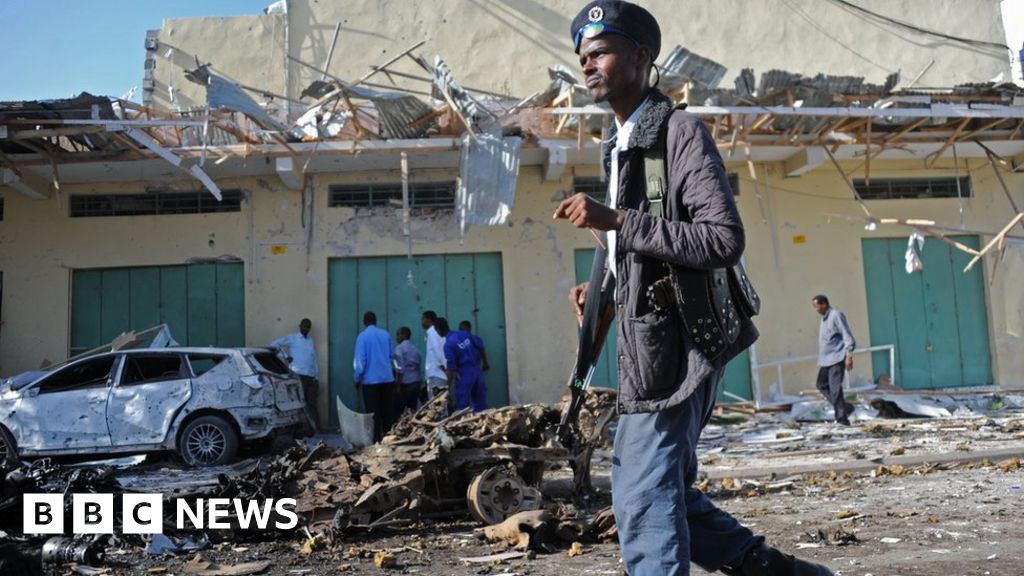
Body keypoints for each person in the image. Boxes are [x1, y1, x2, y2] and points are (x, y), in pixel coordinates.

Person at [554, 2, 833, 575]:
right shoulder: (619, 144)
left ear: (640, 56)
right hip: (645, 354)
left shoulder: (679, 133)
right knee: (665, 493)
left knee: (642, 501)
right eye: (583, 56)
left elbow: (721, 239)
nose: (588, 65)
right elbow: (630, 249)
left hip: (680, 352)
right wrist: (600, 292)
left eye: (601, 52)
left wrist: (616, 222)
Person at [812, 294, 857, 426]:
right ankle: (845, 407)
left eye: (817, 306)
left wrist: (849, 355)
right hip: (825, 360)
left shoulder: (836, 315)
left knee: (835, 389)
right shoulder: (824, 319)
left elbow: (847, 336)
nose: (816, 310)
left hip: (837, 358)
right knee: (821, 384)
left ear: (824, 304)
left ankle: (842, 419)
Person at [353, 311, 396, 442]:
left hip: (370, 381)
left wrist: (357, 377)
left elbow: (361, 360)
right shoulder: (385, 334)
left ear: (364, 321)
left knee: (373, 412)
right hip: (387, 379)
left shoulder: (362, 337)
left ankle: (376, 439)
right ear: (375, 320)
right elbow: (391, 355)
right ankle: (389, 437)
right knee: (387, 410)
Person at [271, 318, 320, 433]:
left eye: (308, 327)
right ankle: (300, 430)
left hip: (311, 377)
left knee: (312, 403)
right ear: (300, 326)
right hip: (298, 376)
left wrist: (316, 376)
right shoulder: (293, 338)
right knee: (299, 404)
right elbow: (274, 344)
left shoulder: (310, 341)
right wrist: (284, 357)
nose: (306, 328)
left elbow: (314, 359)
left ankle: (316, 428)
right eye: (304, 326)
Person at [392, 326, 423, 415]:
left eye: (398, 335)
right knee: (412, 411)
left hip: (404, 384)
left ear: (404, 335)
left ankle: (397, 428)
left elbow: (399, 369)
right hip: (416, 383)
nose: (396, 337)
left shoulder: (399, 348)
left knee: (398, 411)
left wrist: (397, 386)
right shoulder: (415, 349)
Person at [421, 310, 448, 400]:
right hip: (439, 373)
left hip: (436, 373)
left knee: (436, 405)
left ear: (429, 320)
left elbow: (438, 351)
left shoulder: (432, 331)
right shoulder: (436, 331)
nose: (422, 322)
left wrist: (444, 367)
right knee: (441, 403)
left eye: (423, 319)